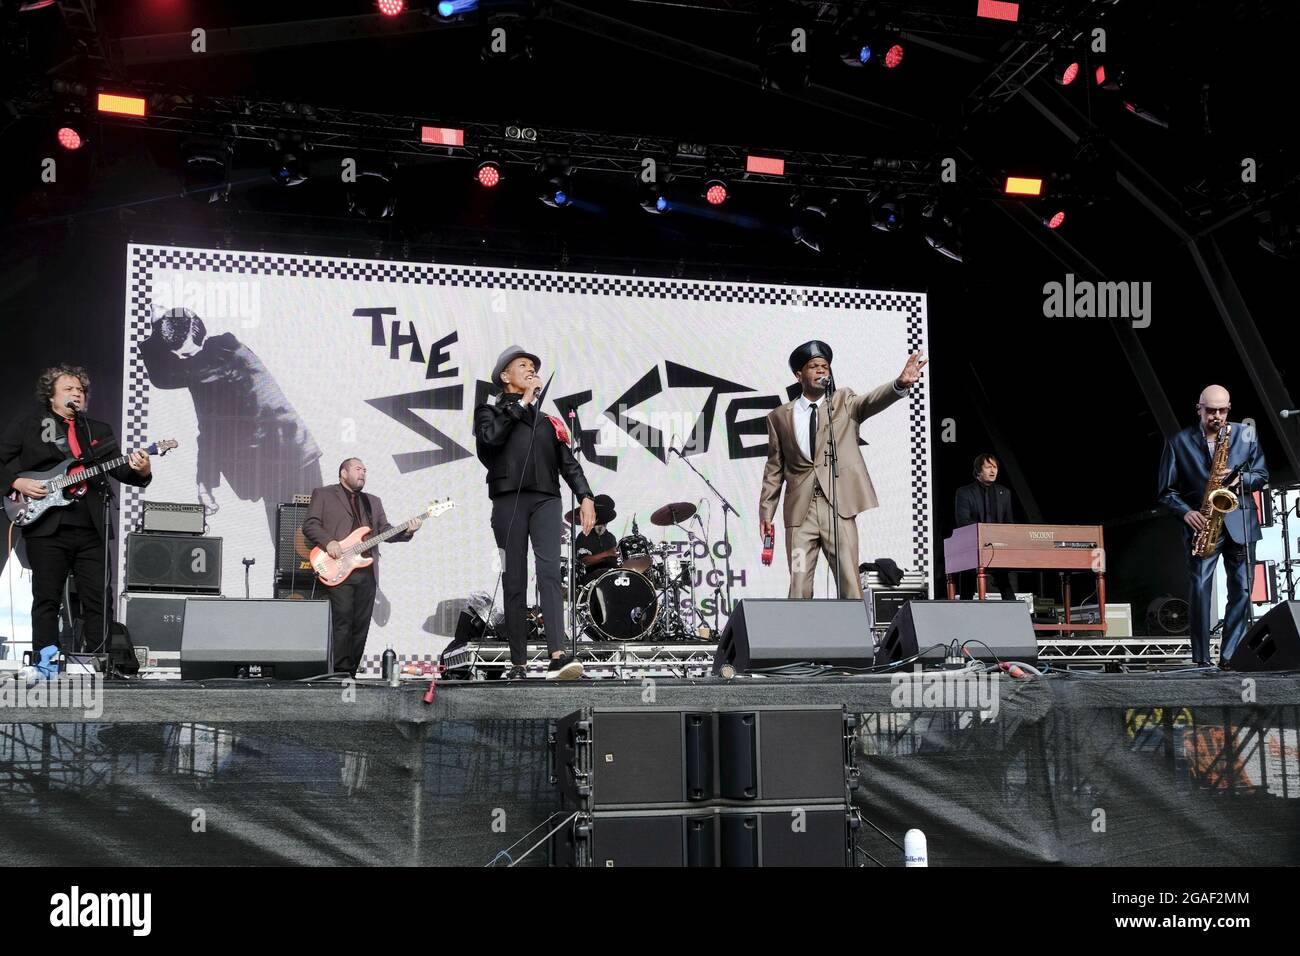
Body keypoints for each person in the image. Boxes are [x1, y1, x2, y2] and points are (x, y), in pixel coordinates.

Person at [0, 365, 152, 658]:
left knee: (98, 599)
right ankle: (46, 659)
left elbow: (119, 469)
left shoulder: (98, 430)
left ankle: (99, 660)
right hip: (46, 525)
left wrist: (142, 471)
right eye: (68, 389)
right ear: (51, 397)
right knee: (46, 597)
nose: (76, 394)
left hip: (92, 526)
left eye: (80, 390)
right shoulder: (30, 425)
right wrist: (17, 481)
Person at [759, 340, 926, 599]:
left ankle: (855, 637)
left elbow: (870, 402)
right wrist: (766, 514)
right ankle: (798, 638)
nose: (820, 371)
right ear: (798, 375)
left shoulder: (843, 400)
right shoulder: (779, 417)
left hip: (838, 506)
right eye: (813, 366)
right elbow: (774, 469)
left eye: (824, 366)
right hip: (800, 513)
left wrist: (899, 384)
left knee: (849, 580)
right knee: (799, 584)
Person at [139, 308, 324, 543]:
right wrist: (205, 483)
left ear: (203, 338)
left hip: (292, 458)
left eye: (189, 353)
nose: (189, 360)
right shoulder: (206, 365)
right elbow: (209, 429)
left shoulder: (225, 353)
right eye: (182, 356)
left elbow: (162, 378)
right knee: (287, 551)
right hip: (274, 465)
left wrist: (156, 326)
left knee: (304, 550)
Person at [474, 346, 596, 680]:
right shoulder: (489, 413)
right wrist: (524, 402)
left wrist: (586, 495)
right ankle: (518, 662)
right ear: (505, 376)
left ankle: (558, 655)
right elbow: (490, 443)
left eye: (533, 366)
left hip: (546, 499)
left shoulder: (548, 421)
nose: (530, 369)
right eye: (523, 365)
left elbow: (567, 463)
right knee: (514, 579)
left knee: (550, 574)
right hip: (507, 501)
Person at [1158, 385, 1268, 667]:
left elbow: (1261, 475)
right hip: (1202, 524)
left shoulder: (1244, 433)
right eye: (1210, 411)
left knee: (1242, 590)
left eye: (1222, 410)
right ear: (1199, 408)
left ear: (1229, 408)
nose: (1216, 416)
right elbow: (1166, 492)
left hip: (1240, 521)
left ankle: (1230, 656)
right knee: (1200, 588)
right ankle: (1201, 659)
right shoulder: (1178, 442)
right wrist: (1186, 513)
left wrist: (1237, 478)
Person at [302, 458, 422, 676]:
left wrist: (408, 531)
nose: (363, 473)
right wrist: (329, 542)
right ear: (343, 473)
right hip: (338, 567)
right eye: (358, 469)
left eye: (365, 470)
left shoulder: (373, 502)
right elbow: (310, 524)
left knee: (360, 625)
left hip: (365, 570)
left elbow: (385, 531)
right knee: (343, 621)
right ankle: (338, 671)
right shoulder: (324, 494)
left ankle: (351, 673)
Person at [954, 453, 1018, 601]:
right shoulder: (964, 492)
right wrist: (984, 533)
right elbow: (962, 522)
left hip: (998, 545)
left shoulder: (1005, 493)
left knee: (1004, 581)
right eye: (988, 467)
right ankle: (966, 607)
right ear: (978, 471)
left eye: (995, 467)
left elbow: (1009, 523)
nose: (993, 470)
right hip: (972, 545)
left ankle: (1012, 611)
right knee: (968, 578)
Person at [571, 494, 619, 585]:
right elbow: (584, 562)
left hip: (611, 577)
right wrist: (607, 554)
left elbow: (614, 561)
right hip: (590, 579)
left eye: (604, 522)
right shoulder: (584, 536)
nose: (602, 524)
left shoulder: (610, 537)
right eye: (599, 521)